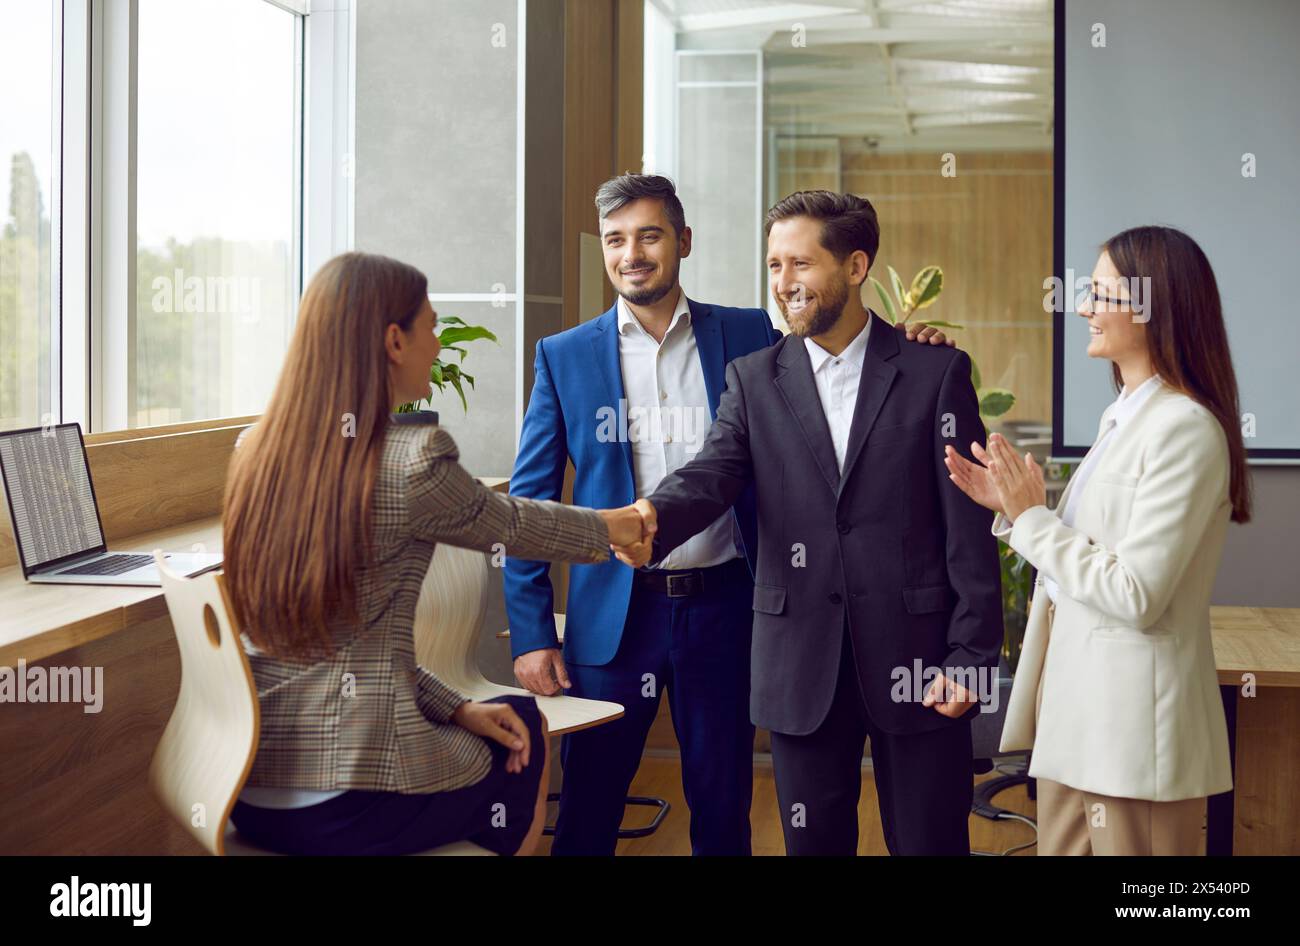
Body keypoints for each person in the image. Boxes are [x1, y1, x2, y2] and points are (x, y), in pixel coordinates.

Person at [504, 174, 952, 856]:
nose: (632, 255)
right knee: (588, 808)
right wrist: (532, 633)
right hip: (614, 619)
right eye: (616, 240)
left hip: (727, 609)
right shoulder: (562, 356)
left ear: (683, 241)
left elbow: (838, 353)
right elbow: (528, 505)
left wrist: (912, 346)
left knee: (723, 806)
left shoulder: (748, 334)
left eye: (649, 236)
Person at [221, 251, 652, 856]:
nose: (438, 343)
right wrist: (619, 525)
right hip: (351, 801)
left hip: (247, 793)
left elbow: (359, 649)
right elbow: (514, 525)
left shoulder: (257, 452)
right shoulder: (410, 459)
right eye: (430, 325)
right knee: (525, 729)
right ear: (394, 341)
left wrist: (457, 708)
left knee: (493, 717)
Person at [616, 190, 1003, 856]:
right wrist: (650, 515)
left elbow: (967, 527)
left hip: (920, 660)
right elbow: (713, 473)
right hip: (798, 661)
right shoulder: (752, 378)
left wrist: (971, 656)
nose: (783, 282)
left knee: (932, 843)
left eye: (801, 263)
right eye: (774, 265)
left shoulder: (935, 372)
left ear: (855, 266)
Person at [945, 225, 1250, 855]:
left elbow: (1136, 593)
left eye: (1102, 294)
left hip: (1134, 739)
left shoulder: (1185, 429)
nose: (1083, 306)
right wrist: (1015, 512)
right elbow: (1082, 562)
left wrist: (1032, 519)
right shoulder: (1126, 417)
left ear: (1157, 306)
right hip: (1080, 726)